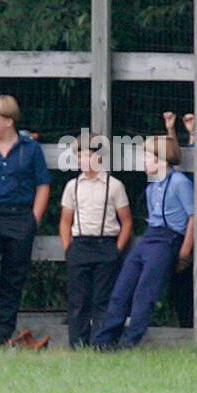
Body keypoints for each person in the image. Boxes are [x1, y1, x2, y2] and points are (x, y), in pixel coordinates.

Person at [94, 135, 194, 349]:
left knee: (145, 292)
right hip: (149, 236)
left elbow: (193, 217)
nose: (144, 162)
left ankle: (129, 342)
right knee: (123, 287)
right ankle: (104, 340)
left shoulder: (178, 182)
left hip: (168, 238)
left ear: (161, 160)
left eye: (147, 157)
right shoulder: (152, 186)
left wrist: (185, 250)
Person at [0, 95, 50, 345]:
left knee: (14, 278)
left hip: (20, 217)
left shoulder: (31, 149)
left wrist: (33, 219)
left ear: (8, 121)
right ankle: (1, 310)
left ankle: (1, 337)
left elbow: (43, 185)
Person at [59, 140, 132, 348]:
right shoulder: (72, 186)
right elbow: (65, 220)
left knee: (103, 298)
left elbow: (126, 221)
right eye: (80, 156)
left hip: (105, 244)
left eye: (88, 155)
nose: (83, 160)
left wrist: (117, 249)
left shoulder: (114, 186)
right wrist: (68, 248)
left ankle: (103, 343)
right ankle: (77, 344)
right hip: (80, 244)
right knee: (78, 300)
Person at [163, 110, 196, 328]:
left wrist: (193, 134)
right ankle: (185, 326)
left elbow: (191, 156)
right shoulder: (168, 177)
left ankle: (192, 326)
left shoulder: (187, 181)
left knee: (187, 283)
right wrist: (170, 129)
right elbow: (172, 157)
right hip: (175, 235)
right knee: (178, 286)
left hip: (190, 233)